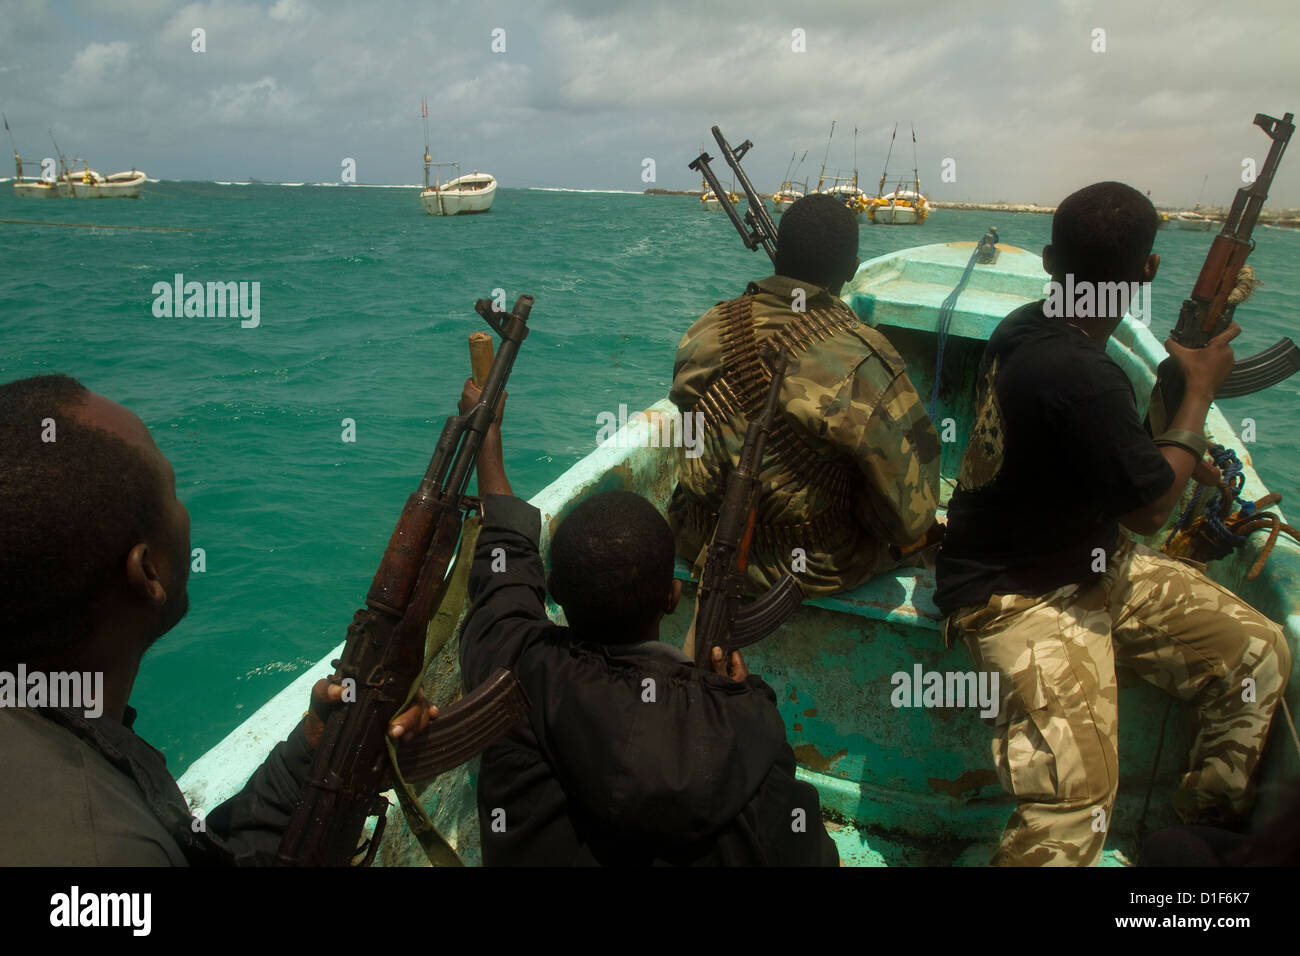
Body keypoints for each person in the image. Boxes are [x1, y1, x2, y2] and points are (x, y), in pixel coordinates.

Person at [935, 182, 1292, 866]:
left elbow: (1116, 453)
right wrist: (1201, 393)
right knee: (1074, 812)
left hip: (1096, 560)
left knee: (1258, 652)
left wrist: (1179, 406)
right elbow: (1154, 509)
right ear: (1149, 269)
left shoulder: (1028, 326)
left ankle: (1198, 829)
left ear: (1047, 261)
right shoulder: (1081, 374)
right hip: (1015, 595)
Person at [0, 374, 435, 865]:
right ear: (147, 572)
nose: (186, 514)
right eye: (173, 491)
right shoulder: (108, 849)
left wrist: (314, 755)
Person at [457, 380, 838, 866]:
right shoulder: (747, 732)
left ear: (553, 592)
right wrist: (734, 700)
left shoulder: (513, 667)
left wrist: (488, 445)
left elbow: (503, 572)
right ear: (673, 597)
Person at [669, 193, 941, 615]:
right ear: (852, 269)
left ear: (778, 255)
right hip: (807, 568)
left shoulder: (707, 328)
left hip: (700, 540)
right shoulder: (865, 358)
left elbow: (692, 437)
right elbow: (908, 517)